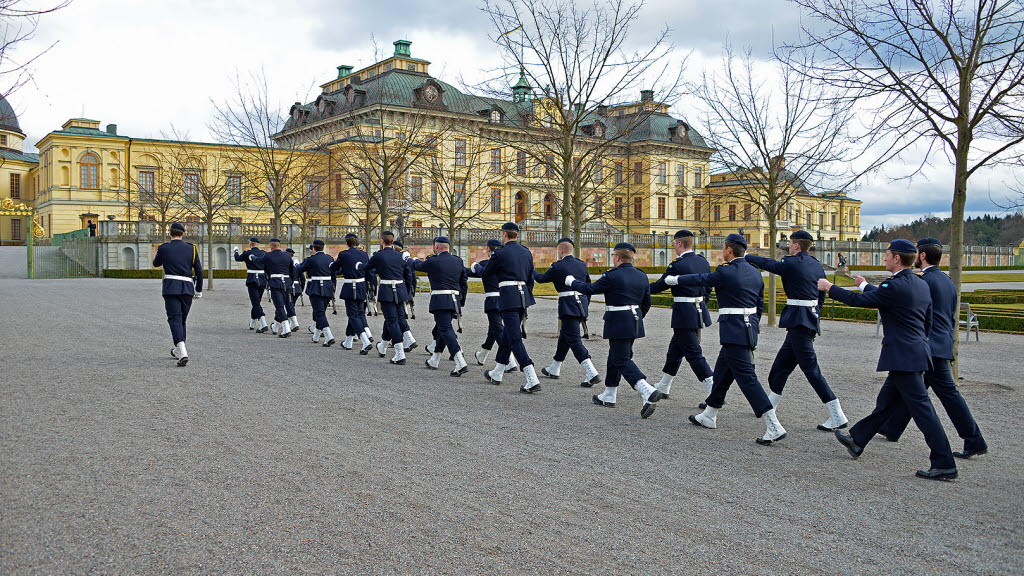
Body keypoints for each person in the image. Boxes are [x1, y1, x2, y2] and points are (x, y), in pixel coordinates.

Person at [818, 239, 958, 481]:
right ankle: (857, 439)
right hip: (915, 352)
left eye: (887, 255)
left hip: (903, 356)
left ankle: (944, 463)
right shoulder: (920, 283)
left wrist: (830, 287)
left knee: (923, 410)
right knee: (886, 403)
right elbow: (928, 321)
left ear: (897, 258)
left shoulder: (894, 285)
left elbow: (859, 301)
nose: (884, 258)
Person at [667, 233, 787, 445]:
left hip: (733, 331)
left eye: (723, 248)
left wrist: (676, 279)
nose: (722, 252)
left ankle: (773, 425)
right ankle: (709, 414)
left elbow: (701, 279)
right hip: (747, 330)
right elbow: (759, 305)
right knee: (722, 374)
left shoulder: (725, 271)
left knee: (747, 379)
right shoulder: (755, 272)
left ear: (729, 250)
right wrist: (753, 328)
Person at [875, 238, 988, 459]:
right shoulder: (947, 281)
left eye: (916, 253)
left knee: (941, 395)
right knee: (905, 390)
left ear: (923, 255)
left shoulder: (923, 281)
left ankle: (974, 440)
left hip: (927, 347)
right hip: (941, 343)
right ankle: (891, 428)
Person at [745, 229, 848, 431]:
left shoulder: (790, 262)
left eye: (790, 243)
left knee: (811, 369)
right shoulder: (816, 265)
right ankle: (768, 407)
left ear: (796, 245)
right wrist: (814, 314)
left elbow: (769, 264)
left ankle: (837, 414)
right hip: (804, 321)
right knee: (780, 368)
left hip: (799, 322)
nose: (789, 246)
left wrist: (746, 256)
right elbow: (821, 295)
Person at [565, 243, 662, 418]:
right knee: (615, 356)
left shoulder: (612, 275)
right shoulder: (641, 275)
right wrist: (636, 318)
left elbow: (590, 289)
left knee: (621, 359)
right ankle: (609, 394)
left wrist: (572, 282)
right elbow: (646, 302)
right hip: (634, 321)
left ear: (616, 257)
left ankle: (646, 389)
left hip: (618, 321)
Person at [649, 230, 714, 401]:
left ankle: (713, 387)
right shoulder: (703, 262)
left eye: (674, 244)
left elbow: (659, 286)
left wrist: (638, 288)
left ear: (679, 243)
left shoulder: (677, 265)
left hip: (684, 314)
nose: (674, 247)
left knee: (693, 352)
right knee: (675, 351)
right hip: (698, 311)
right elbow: (708, 287)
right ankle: (664, 385)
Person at [480, 222, 542, 393]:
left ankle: (531, 377)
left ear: (504, 234)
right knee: (508, 336)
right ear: (517, 234)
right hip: (523, 297)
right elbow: (530, 277)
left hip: (509, 297)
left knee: (514, 338)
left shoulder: (500, 253)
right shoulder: (526, 252)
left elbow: (486, 273)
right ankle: (497, 372)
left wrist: (477, 267)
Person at [533, 237, 600, 387]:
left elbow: (541, 279)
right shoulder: (581, 265)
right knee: (565, 336)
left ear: (561, 250)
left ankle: (591, 372)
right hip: (581, 304)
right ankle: (555, 367)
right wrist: (585, 305)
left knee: (574, 340)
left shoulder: (557, 266)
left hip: (568, 306)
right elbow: (588, 287)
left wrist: (529, 269)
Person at [409, 236, 470, 374]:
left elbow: (417, 266)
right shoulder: (458, 261)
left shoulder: (433, 261)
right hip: (454, 300)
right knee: (441, 330)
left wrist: (409, 258)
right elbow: (463, 283)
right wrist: (461, 302)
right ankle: (434, 359)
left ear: (436, 247)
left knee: (446, 330)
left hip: (441, 300)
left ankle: (460, 361)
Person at [152, 222, 203, 367]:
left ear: (170, 234)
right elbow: (199, 271)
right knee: (181, 320)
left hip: (171, 287)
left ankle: (182, 350)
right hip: (187, 288)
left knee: (175, 318)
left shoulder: (164, 248)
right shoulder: (192, 248)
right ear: (183, 234)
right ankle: (179, 349)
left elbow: (156, 264)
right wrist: (199, 290)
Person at [466, 239, 521, 372]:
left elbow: (472, 272)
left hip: (493, 300)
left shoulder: (486, 264)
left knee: (498, 330)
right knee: (494, 328)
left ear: (488, 249)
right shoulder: (507, 263)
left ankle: (510, 361)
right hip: (507, 299)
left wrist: (473, 266)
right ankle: (482, 354)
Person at [365, 231, 412, 364]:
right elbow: (408, 275)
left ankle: (400, 354)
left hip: (387, 291)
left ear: (382, 241)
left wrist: (357, 265)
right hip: (400, 290)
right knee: (392, 319)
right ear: (393, 241)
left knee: (392, 321)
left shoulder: (378, 256)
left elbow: (366, 267)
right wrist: (406, 291)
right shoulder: (400, 256)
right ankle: (383, 345)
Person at [330, 233, 373, 353]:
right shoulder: (364, 254)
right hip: (361, 286)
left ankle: (365, 341)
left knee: (353, 315)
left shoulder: (343, 254)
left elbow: (335, 267)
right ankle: (348, 341)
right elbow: (368, 271)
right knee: (357, 313)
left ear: (346, 243)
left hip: (349, 287)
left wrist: (331, 265)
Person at [251, 238, 295, 338]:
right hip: (286, 283)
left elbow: (258, 261)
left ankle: (286, 329)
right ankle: (275, 326)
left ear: (271, 246)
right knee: (283, 304)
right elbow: (292, 271)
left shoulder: (268, 255)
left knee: (279, 306)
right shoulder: (287, 256)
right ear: (279, 245)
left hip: (275, 283)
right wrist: (290, 283)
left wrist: (251, 257)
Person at [297, 239, 336, 347]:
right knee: (321, 311)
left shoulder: (311, 259)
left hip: (316, 287)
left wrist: (296, 265)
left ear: (313, 248)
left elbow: (300, 269)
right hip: (328, 287)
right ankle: (316, 336)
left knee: (319, 313)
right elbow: (334, 274)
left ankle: (329, 336)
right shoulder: (329, 258)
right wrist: (333, 288)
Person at [234, 236, 268, 332]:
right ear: (258, 244)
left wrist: (235, 251)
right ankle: (253, 322)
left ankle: (263, 322)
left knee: (255, 302)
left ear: (250, 244)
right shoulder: (264, 253)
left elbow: (237, 258)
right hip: (262, 279)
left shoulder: (247, 253)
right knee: (257, 301)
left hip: (252, 279)